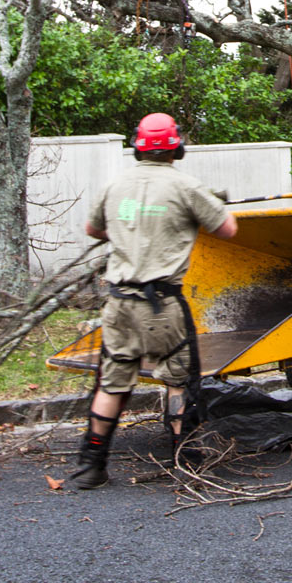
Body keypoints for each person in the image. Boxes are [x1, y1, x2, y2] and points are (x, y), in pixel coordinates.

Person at [70, 112, 237, 489]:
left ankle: (90, 466)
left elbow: (93, 229)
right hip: (163, 307)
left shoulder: (115, 185)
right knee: (179, 384)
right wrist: (205, 208)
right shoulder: (187, 187)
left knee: (112, 384)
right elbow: (227, 228)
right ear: (176, 146)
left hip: (118, 305)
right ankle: (187, 464)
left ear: (137, 145)